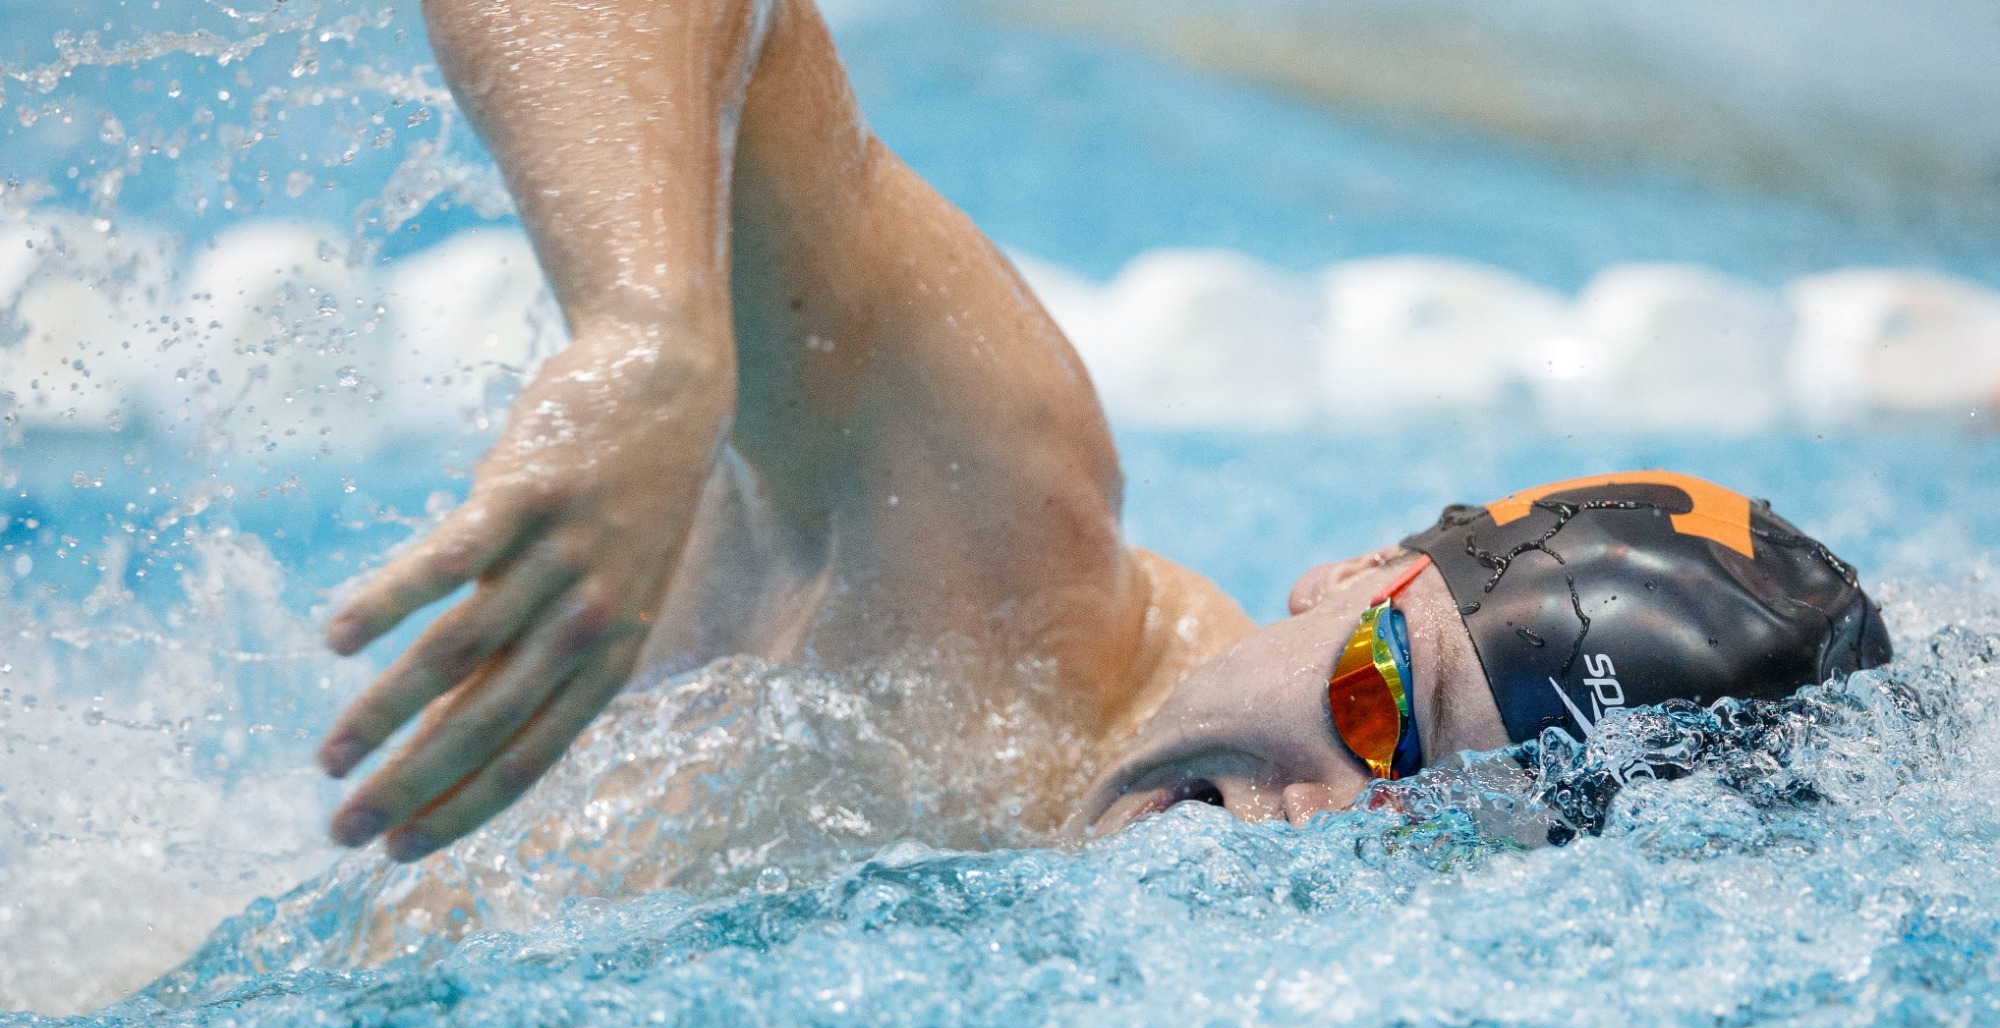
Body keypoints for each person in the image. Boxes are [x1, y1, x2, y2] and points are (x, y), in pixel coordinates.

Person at [315, 0, 1890, 861]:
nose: (1316, 822)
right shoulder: (984, 532)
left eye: (1439, 841)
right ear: (1352, 574)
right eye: (1371, 704)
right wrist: (653, 325)